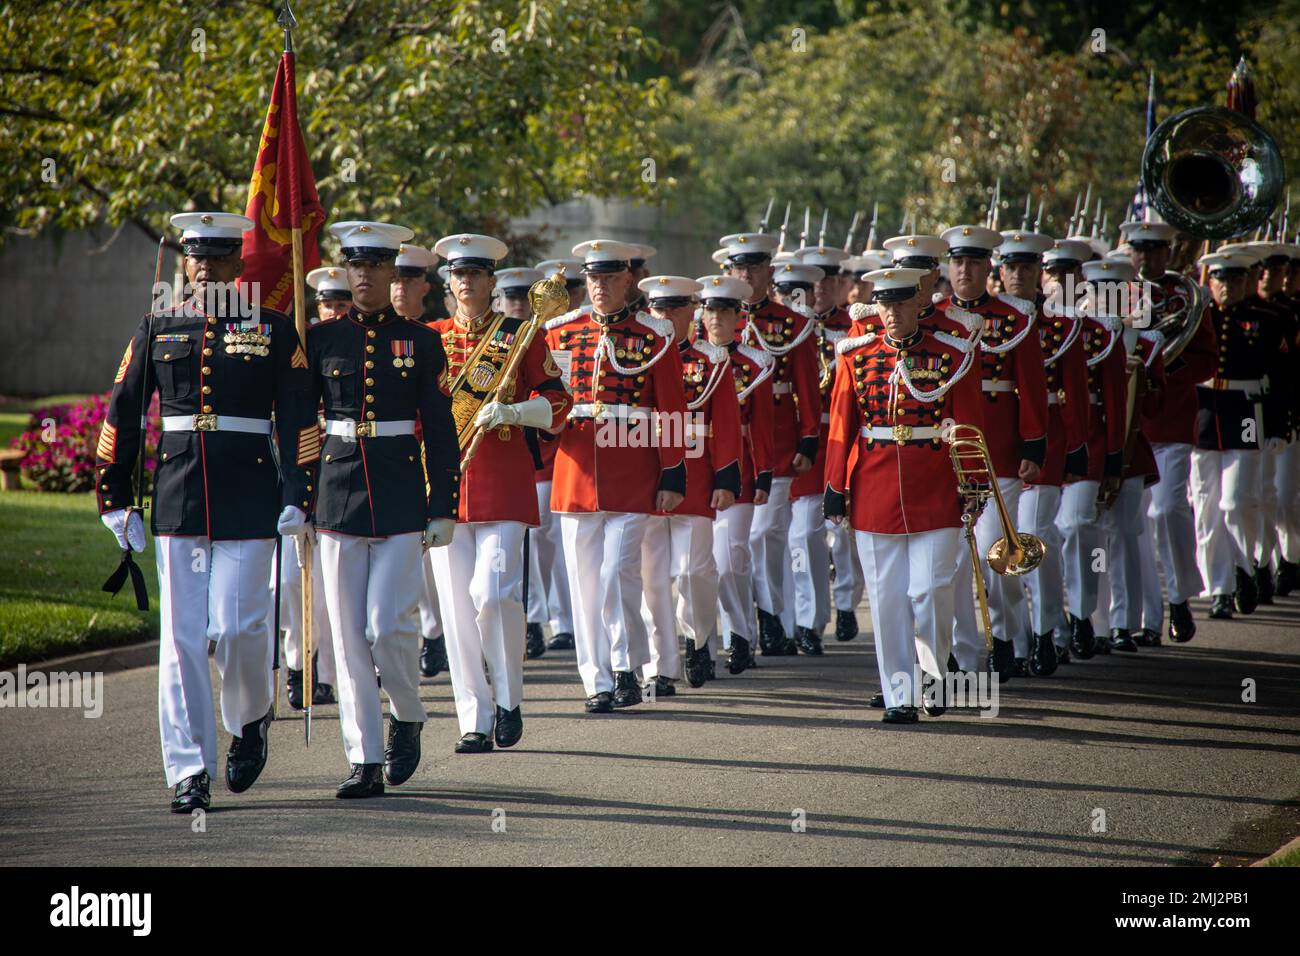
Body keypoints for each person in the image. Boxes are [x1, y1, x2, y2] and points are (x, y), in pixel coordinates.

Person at [96, 211, 313, 812]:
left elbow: (299, 418)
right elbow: (123, 410)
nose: (207, 268)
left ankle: (248, 719)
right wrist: (115, 497)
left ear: (238, 266)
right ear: (186, 264)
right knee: (183, 639)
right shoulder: (157, 325)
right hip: (179, 495)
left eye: (219, 258)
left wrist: (299, 493)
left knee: (240, 626)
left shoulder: (273, 330)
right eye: (197, 258)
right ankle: (189, 768)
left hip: (249, 495)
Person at [305, 220, 459, 798]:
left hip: (398, 495)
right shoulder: (321, 340)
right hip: (338, 494)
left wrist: (444, 502)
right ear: (347, 272)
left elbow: (440, 430)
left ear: (393, 272)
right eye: (356, 266)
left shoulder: (421, 342)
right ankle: (365, 757)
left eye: (375, 266)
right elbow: (301, 425)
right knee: (346, 637)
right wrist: (298, 497)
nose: (364, 275)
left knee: (386, 627)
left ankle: (409, 712)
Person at [428, 234, 573, 751]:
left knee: (492, 595)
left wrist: (514, 411)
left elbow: (559, 403)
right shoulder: (433, 337)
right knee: (455, 607)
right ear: (448, 282)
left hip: (504, 483)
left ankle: (509, 697)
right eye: (458, 274)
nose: (466, 282)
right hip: (445, 487)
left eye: (475, 274)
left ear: (492, 282)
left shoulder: (521, 335)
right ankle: (474, 716)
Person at [823, 266, 984, 723]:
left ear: (919, 302)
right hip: (874, 489)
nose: (891, 312)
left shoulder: (952, 354)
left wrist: (973, 484)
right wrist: (836, 487)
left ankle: (935, 673)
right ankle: (899, 695)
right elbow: (841, 427)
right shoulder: (857, 355)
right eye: (884, 304)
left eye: (900, 303)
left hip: (934, 487)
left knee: (931, 589)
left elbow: (968, 424)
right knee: (888, 598)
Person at [543, 239, 689, 712]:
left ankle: (627, 666)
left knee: (617, 572)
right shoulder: (560, 332)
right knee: (584, 582)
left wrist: (674, 472)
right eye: (592, 277)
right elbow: (548, 401)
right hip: (576, 468)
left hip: (634, 467)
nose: (600, 286)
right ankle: (597, 681)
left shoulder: (656, 333)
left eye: (609, 277)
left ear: (628, 279)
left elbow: (672, 407)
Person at [938, 225, 1048, 680]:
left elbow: (1032, 385)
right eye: (957, 262)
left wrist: (1034, 442)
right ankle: (963, 654)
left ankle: (1008, 640)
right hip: (949, 453)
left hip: (999, 450)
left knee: (995, 553)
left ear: (989, 268)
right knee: (953, 562)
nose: (964, 270)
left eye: (974, 263)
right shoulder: (936, 316)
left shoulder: (1015, 315)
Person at [637, 275, 742, 692]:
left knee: (693, 570)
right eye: (659, 308)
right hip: (647, 473)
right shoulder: (637, 354)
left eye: (675, 307)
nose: (666, 316)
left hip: (696, 475)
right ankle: (660, 667)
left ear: (691, 311)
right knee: (651, 577)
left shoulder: (713, 358)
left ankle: (698, 637)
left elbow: (728, 423)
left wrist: (727, 477)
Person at [722, 232, 821, 656]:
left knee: (766, 535)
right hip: (726, 444)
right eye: (739, 268)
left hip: (776, 441)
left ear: (770, 272)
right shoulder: (714, 319)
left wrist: (809, 438)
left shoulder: (793, 324)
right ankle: (741, 626)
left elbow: (806, 388)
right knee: (732, 543)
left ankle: (771, 616)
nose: (746, 275)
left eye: (754, 267)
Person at [1124, 216, 1215, 644]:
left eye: (1153, 251)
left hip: (1173, 419)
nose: (1144, 258)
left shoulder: (1186, 295)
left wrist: (1162, 365)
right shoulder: (1113, 293)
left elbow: (1208, 361)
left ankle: (1180, 596)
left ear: (1167, 253)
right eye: (1138, 250)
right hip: (1129, 424)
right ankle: (1146, 617)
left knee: (1167, 510)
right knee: (1135, 524)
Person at [1001, 229, 1088, 674]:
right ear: (1001, 271)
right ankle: (1013, 639)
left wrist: (1077, 449)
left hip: (1045, 445)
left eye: (1027, 267)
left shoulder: (1062, 326)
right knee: (1000, 546)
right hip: (997, 443)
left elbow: (1073, 391)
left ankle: (1045, 631)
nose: (1018, 274)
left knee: (1033, 537)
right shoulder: (986, 321)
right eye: (1011, 266)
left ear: (1040, 273)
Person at [1190, 249, 1291, 619]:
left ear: (1247, 281)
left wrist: (1279, 425)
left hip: (1247, 412)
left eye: (1234, 279)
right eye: (1219, 279)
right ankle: (1220, 586)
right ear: (1210, 281)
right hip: (1204, 412)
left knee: (1235, 502)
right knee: (1205, 507)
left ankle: (1247, 565)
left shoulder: (1266, 318)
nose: (1226, 287)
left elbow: (1282, 375)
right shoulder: (1197, 317)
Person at [1084, 259, 1166, 653]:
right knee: (1095, 541)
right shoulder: (1078, 339)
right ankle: (1098, 624)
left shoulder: (1147, 343)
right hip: (1091, 453)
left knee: (1125, 538)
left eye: (1115, 290)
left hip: (1130, 455)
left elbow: (1155, 408)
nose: (1106, 299)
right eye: (1099, 290)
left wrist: (1142, 380)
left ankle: (1124, 622)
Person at [793, 245, 864, 646]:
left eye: (826, 282)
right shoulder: (794, 328)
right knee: (805, 534)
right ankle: (810, 619)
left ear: (839, 284)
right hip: (809, 441)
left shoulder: (853, 328)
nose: (818, 289)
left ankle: (848, 602)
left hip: (845, 437)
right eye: (812, 282)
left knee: (845, 531)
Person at [389, 243, 452, 680]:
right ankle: (428, 630)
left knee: (430, 555)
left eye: (408, 280)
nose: (398, 288)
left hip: (428, 452)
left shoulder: (431, 338)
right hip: (395, 457)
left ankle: (435, 632)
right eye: (394, 279)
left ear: (424, 288)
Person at [529, 260, 585, 651]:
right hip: (536, 455)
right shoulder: (540, 337)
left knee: (564, 545)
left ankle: (565, 621)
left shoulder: (581, 335)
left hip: (572, 454)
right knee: (532, 544)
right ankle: (534, 620)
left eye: (568, 291)